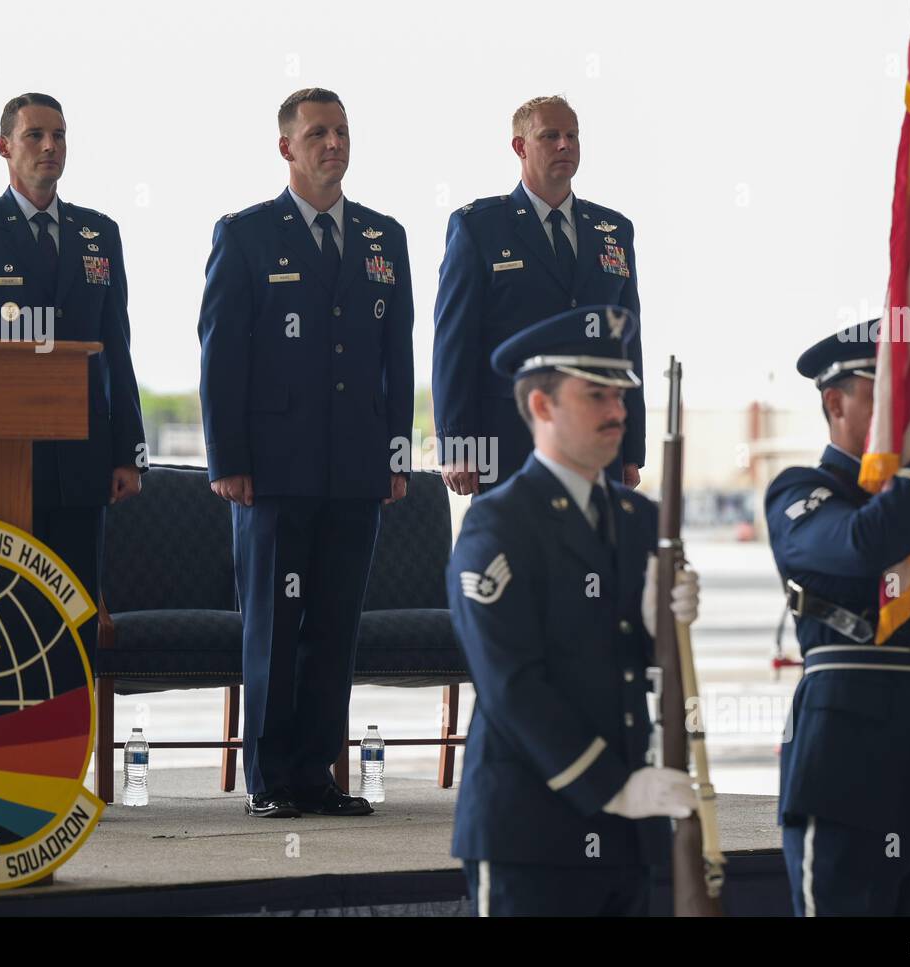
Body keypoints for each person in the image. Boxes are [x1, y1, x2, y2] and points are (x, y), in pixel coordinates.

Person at [198, 87, 414, 818]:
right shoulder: (247, 235)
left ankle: (318, 774)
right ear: (286, 147)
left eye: (343, 131)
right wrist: (226, 458)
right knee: (276, 627)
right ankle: (270, 778)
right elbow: (221, 355)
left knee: (332, 626)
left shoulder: (385, 237)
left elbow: (396, 357)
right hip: (273, 473)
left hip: (355, 469)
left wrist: (396, 454)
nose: (333, 144)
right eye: (318, 132)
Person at [448, 304, 699, 916]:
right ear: (541, 406)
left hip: (625, 834)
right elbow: (511, 685)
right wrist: (612, 787)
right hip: (530, 830)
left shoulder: (641, 520)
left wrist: (661, 629)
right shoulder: (499, 522)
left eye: (620, 396)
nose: (617, 412)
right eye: (596, 396)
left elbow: (635, 662)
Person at [765, 320, 910, 916]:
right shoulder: (801, 491)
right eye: (887, 394)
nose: (907, 412)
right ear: (835, 401)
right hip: (844, 779)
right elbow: (863, 542)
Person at [0, 92, 147, 662]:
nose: (51, 147)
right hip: (1, 468)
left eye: (60, 135)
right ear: (4, 147)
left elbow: (116, 350)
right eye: (35, 136)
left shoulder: (100, 234)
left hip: (83, 462)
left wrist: (129, 451)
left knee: (70, 631)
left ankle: (64, 750)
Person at [432, 95, 644, 495]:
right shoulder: (478, 227)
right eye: (550, 136)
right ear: (520, 147)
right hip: (509, 436)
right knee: (514, 554)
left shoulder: (613, 230)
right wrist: (457, 444)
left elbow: (627, 346)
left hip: (595, 439)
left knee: (591, 556)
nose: (565, 145)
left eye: (572, 136)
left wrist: (632, 448)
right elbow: (454, 343)